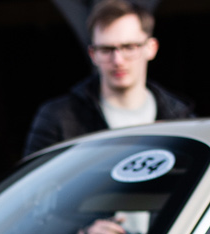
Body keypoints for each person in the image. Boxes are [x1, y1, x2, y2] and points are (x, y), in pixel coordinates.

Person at [24, 0, 194, 156]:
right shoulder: (59, 118)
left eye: (129, 47)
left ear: (151, 48)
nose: (118, 60)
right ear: (93, 54)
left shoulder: (180, 118)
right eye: (106, 49)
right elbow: (33, 185)